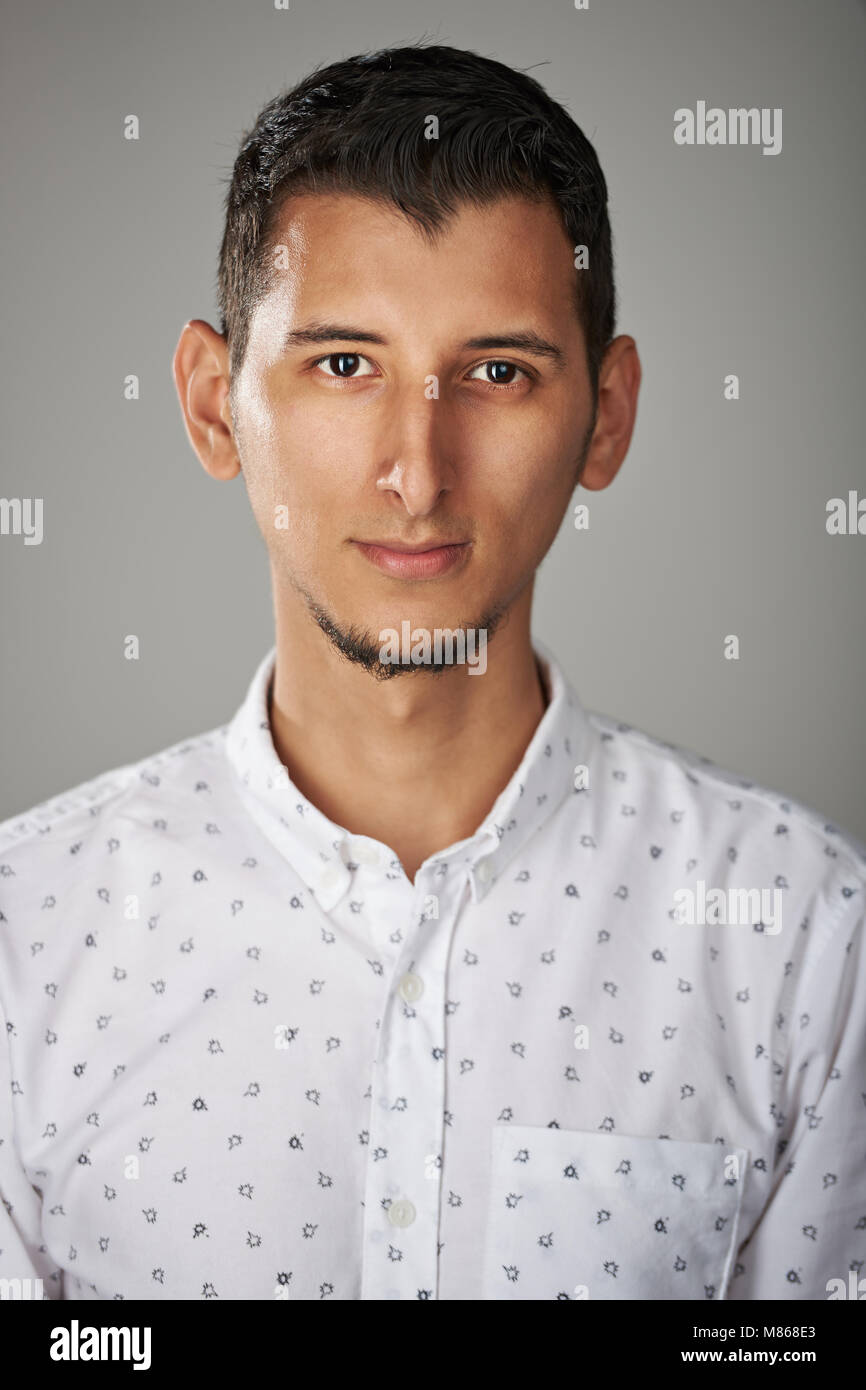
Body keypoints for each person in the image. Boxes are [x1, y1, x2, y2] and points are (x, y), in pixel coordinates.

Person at [1, 42, 864, 1303]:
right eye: (343, 364)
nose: (417, 471)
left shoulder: (803, 938)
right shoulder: (24, 940)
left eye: (496, 373)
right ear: (212, 404)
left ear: (606, 415)